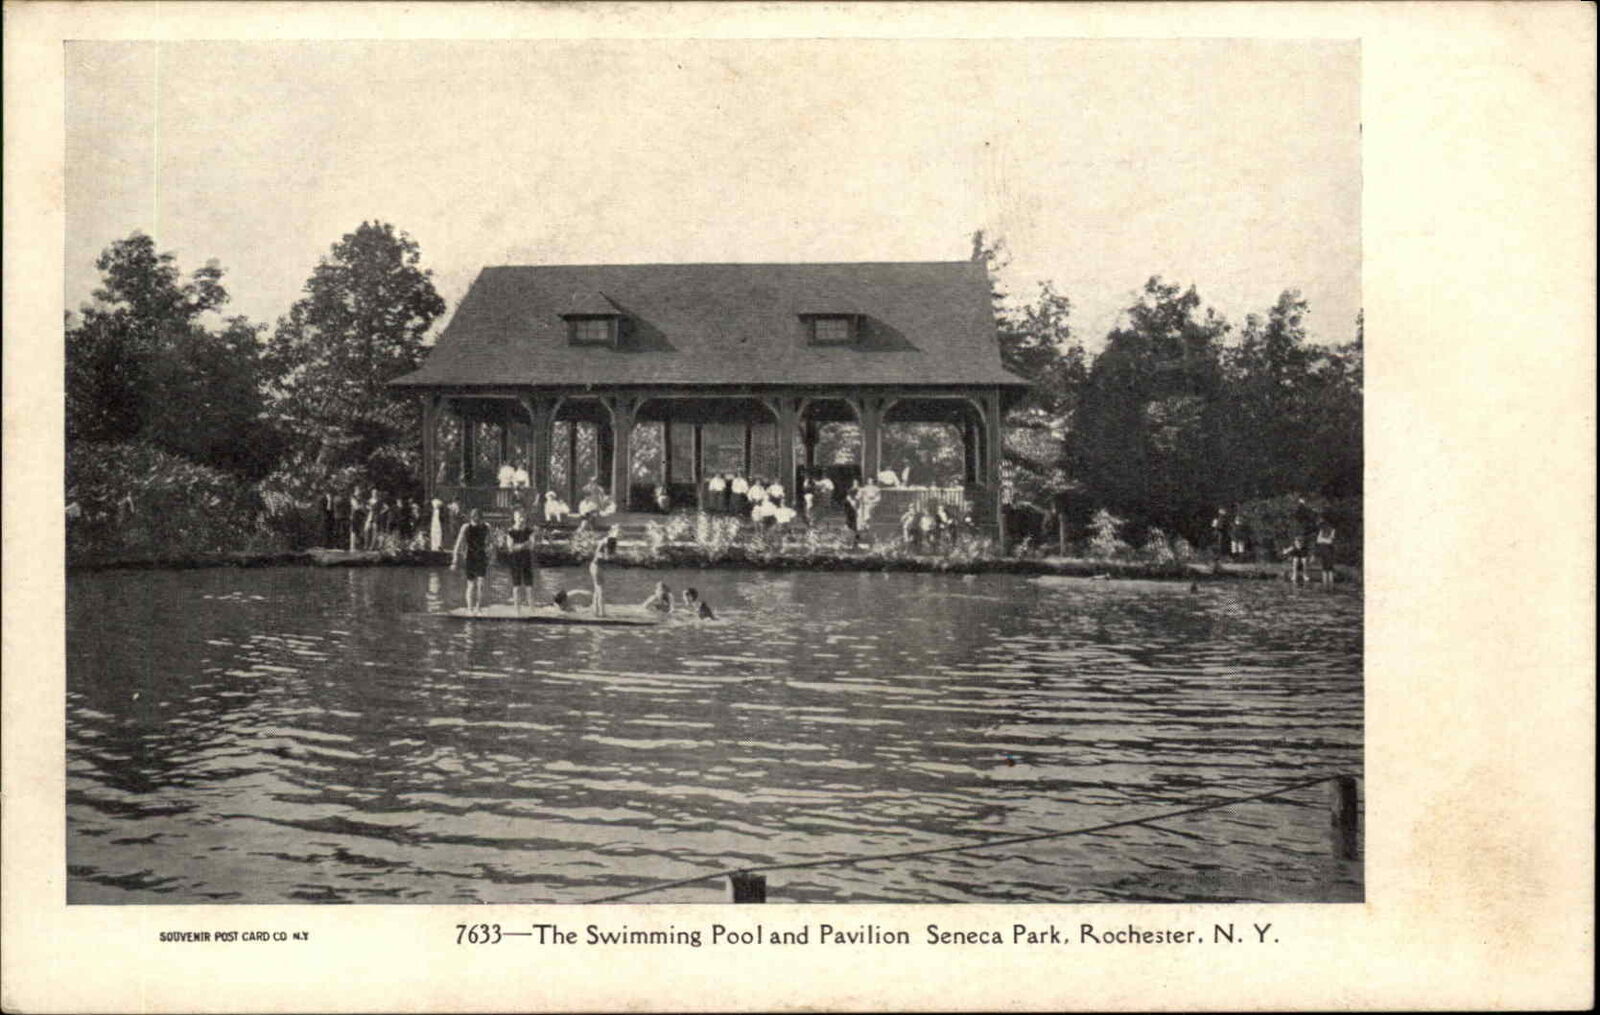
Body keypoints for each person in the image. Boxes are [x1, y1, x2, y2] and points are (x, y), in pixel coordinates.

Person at [451, 508, 492, 613]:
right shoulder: (465, 527)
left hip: (481, 557)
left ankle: (478, 608)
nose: (476, 520)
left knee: (481, 584)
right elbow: (458, 544)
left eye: (478, 518)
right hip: (470, 557)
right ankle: (469, 609)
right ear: (471, 518)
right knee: (471, 584)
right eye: (474, 518)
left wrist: (492, 556)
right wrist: (454, 560)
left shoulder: (486, 527)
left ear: (481, 518)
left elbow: (492, 542)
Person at [503, 508, 537, 611]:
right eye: (518, 517)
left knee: (529, 586)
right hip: (515, 560)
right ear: (514, 518)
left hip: (526, 559)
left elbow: (532, 546)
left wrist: (518, 546)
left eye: (522, 517)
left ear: (525, 518)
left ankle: (532, 609)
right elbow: (510, 548)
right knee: (516, 586)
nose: (521, 519)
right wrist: (524, 544)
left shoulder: (530, 531)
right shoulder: (510, 531)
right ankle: (517, 611)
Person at [588, 536, 617, 617]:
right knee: (600, 590)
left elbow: (609, 557)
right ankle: (602, 613)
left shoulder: (611, 543)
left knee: (597, 590)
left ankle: (595, 611)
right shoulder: (603, 544)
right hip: (595, 567)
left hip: (598, 568)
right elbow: (600, 556)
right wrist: (607, 555)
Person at [1315, 517, 1337, 584]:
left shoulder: (1333, 530)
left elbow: (1330, 542)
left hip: (1330, 550)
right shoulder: (1322, 530)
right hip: (1323, 549)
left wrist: (1323, 540)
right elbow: (1318, 540)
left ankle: (1331, 583)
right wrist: (1326, 540)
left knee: (1330, 568)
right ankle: (1325, 583)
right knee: (1324, 567)